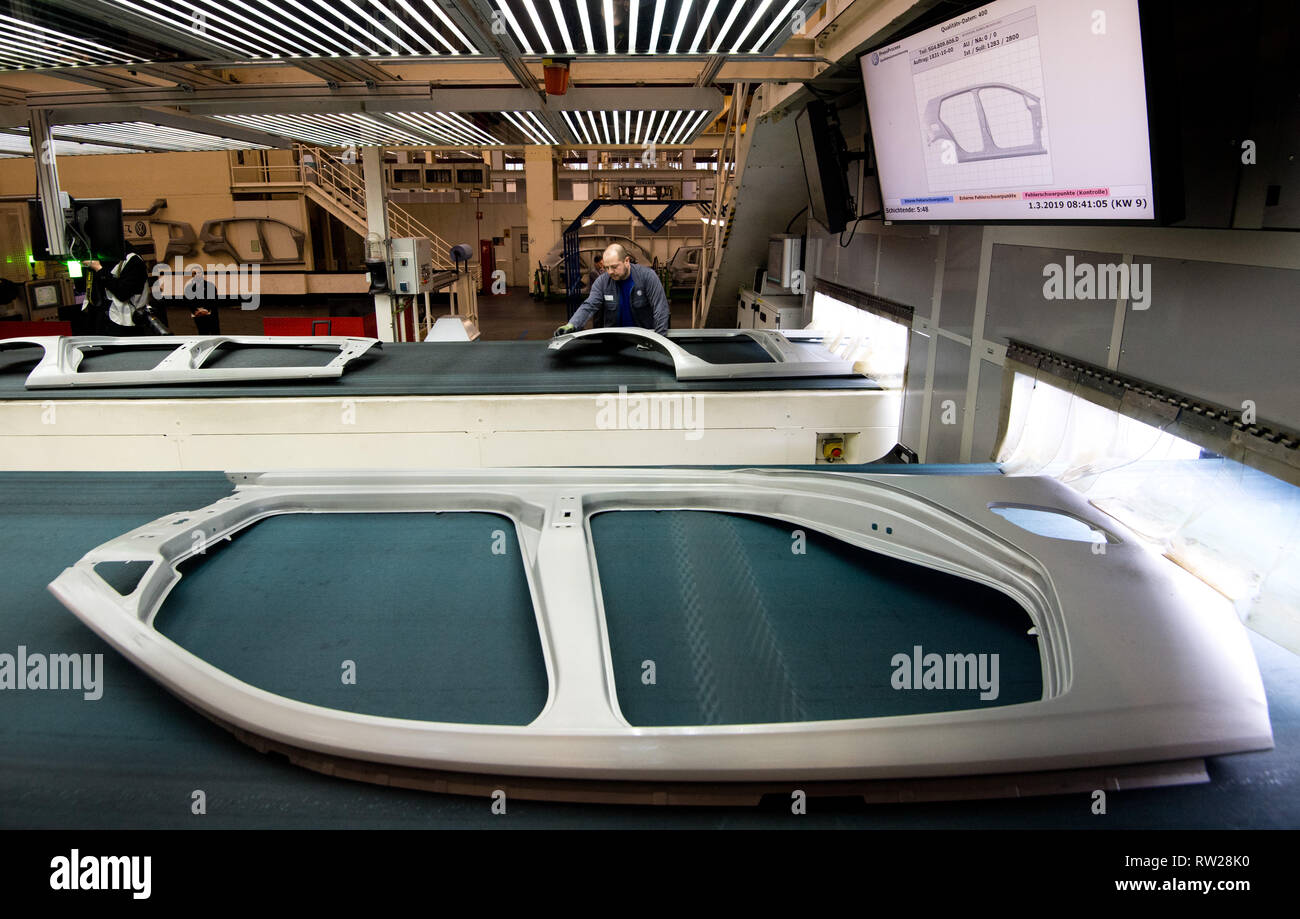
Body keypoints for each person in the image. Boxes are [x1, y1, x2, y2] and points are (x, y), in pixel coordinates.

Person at [553, 243, 669, 337]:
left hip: (643, 339)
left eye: (614, 267)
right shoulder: (602, 282)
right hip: (614, 342)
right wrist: (572, 324)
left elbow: (660, 309)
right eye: (606, 267)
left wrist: (659, 340)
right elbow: (589, 306)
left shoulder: (647, 277)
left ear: (627, 261)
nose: (609, 272)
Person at [84, 248, 152, 336]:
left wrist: (99, 269)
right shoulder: (101, 259)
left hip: (127, 323)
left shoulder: (133, 260)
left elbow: (123, 293)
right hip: (102, 320)